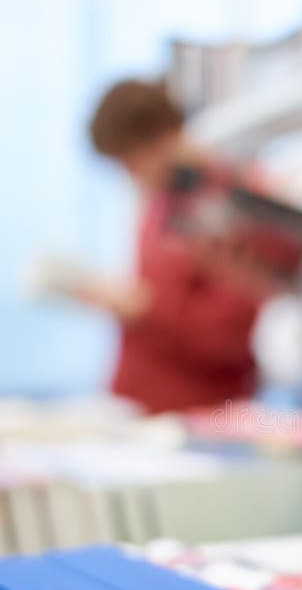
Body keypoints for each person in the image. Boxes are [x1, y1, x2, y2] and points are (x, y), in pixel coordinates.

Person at [79, 79, 270, 415]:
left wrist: (143, 309)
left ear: (164, 136)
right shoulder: (159, 199)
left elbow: (228, 335)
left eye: (130, 160)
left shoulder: (234, 199)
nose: (129, 174)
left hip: (201, 410)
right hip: (141, 403)